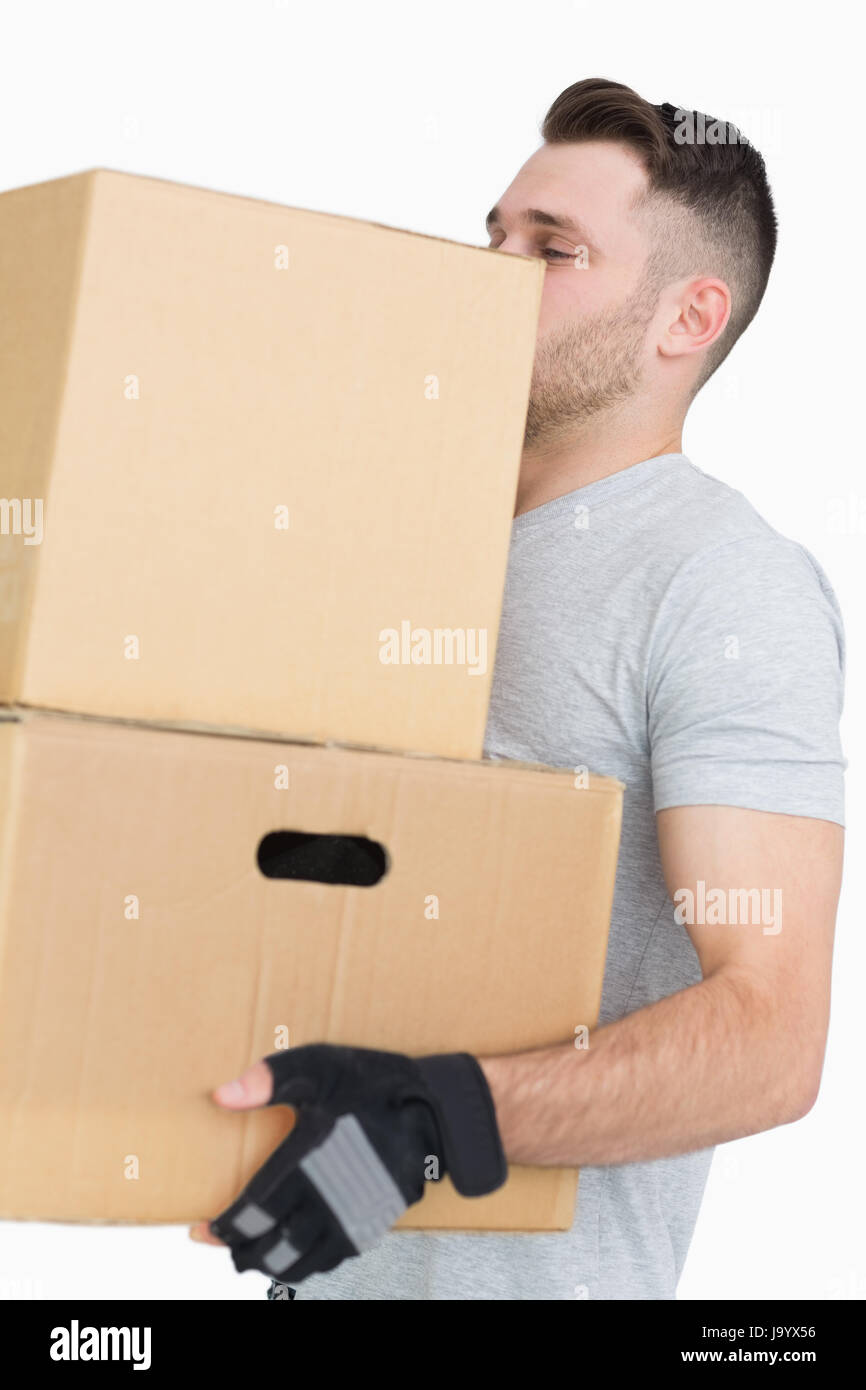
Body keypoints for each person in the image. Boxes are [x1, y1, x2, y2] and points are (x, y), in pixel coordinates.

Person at [189, 78, 846, 1300]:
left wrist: (438, 1112)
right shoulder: (397, 550)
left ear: (683, 317)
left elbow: (769, 1039)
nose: (492, 272)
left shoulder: (719, 583)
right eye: (491, 233)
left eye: (552, 250)